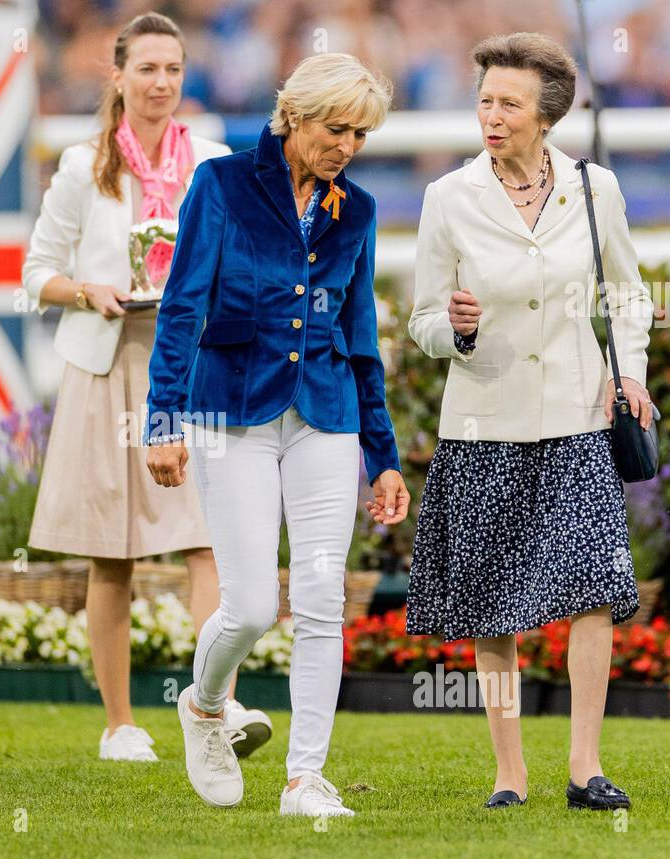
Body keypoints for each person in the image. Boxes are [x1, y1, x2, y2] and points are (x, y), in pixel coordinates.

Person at [144, 54, 409, 816]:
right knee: (253, 604)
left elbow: (362, 336)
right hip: (228, 414)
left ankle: (305, 778)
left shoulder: (353, 211)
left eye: (361, 133)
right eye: (337, 128)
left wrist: (383, 456)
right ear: (292, 116)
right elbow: (182, 309)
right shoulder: (221, 185)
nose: (349, 146)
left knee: (324, 596)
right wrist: (162, 420)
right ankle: (204, 706)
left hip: (326, 415)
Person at [405, 32, 655, 811]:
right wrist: (458, 328)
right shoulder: (448, 198)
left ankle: (585, 767)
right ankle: (509, 772)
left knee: (594, 588)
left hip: (581, 414)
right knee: (491, 603)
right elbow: (420, 322)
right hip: (485, 422)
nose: (492, 115)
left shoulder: (594, 189)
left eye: (508, 103)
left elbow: (629, 295)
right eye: (484, 100)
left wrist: (631, 377)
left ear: (546, 114)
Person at [23, 13, 272, 764]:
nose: (161, 83)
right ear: (121, 76)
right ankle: (119, 725)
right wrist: (87, 290)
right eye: (148, 70)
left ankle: (216, 706)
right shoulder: (83, 165)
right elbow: (37, 274)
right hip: (108, 359)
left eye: (172, 70)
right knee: (113, 555)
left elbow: (248, 263)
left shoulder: (216, 160)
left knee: (205, 543)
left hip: (189, 365)